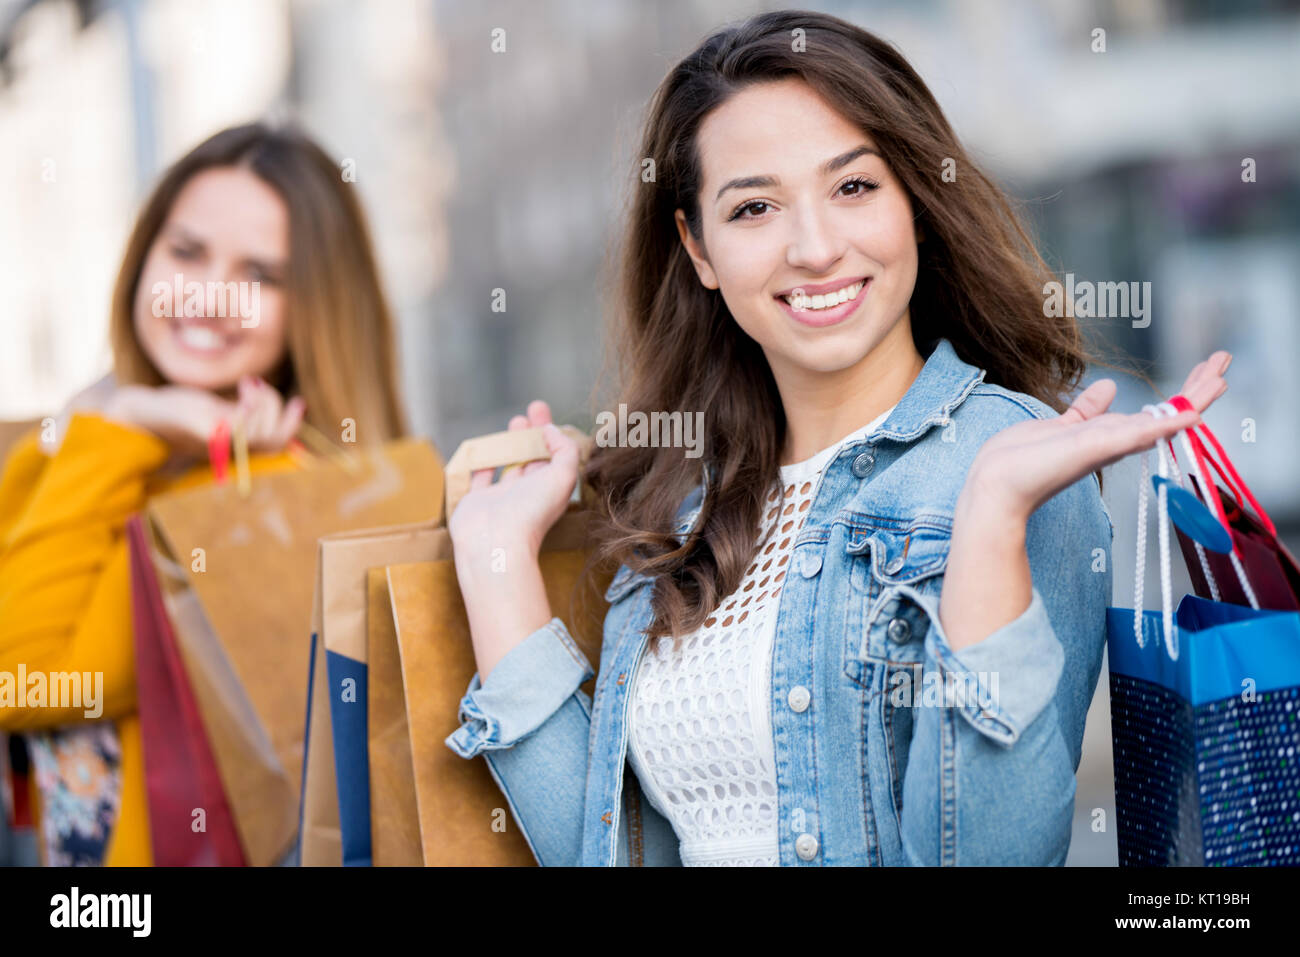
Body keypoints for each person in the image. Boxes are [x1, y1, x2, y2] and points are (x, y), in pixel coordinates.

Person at [442, 10, 1230, 866]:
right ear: (697, 248)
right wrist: (496, 561)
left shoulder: (1013, 464)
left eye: (854, 187)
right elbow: (600, 850)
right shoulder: (680, 498)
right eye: (753, 207)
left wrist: (994, 520)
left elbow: (990, 856)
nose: (815, 248)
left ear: (916, 199)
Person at [0, 123, 407, 865]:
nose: (210, 295)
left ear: (312, 308)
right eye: (186, 252)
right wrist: (127, 422)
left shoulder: (277, 500)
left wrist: (120, 423)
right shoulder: (105, 445)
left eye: (258, 274)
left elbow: (17, 671)